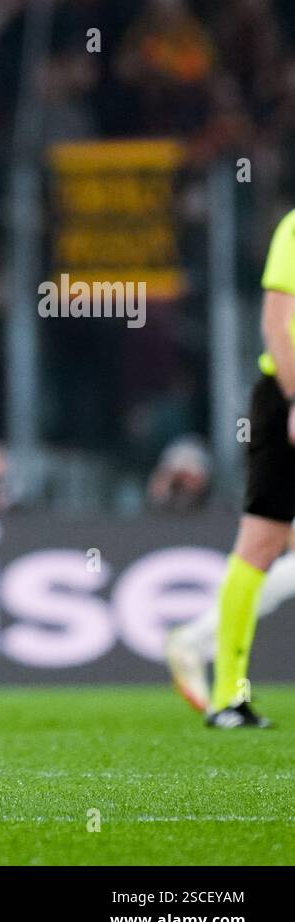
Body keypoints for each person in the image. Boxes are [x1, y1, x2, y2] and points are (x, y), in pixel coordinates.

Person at [166, 208, 295, 728]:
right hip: (284, 401)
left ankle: (198, 641)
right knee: (262, 543)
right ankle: (228, 695)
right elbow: (275, 321)